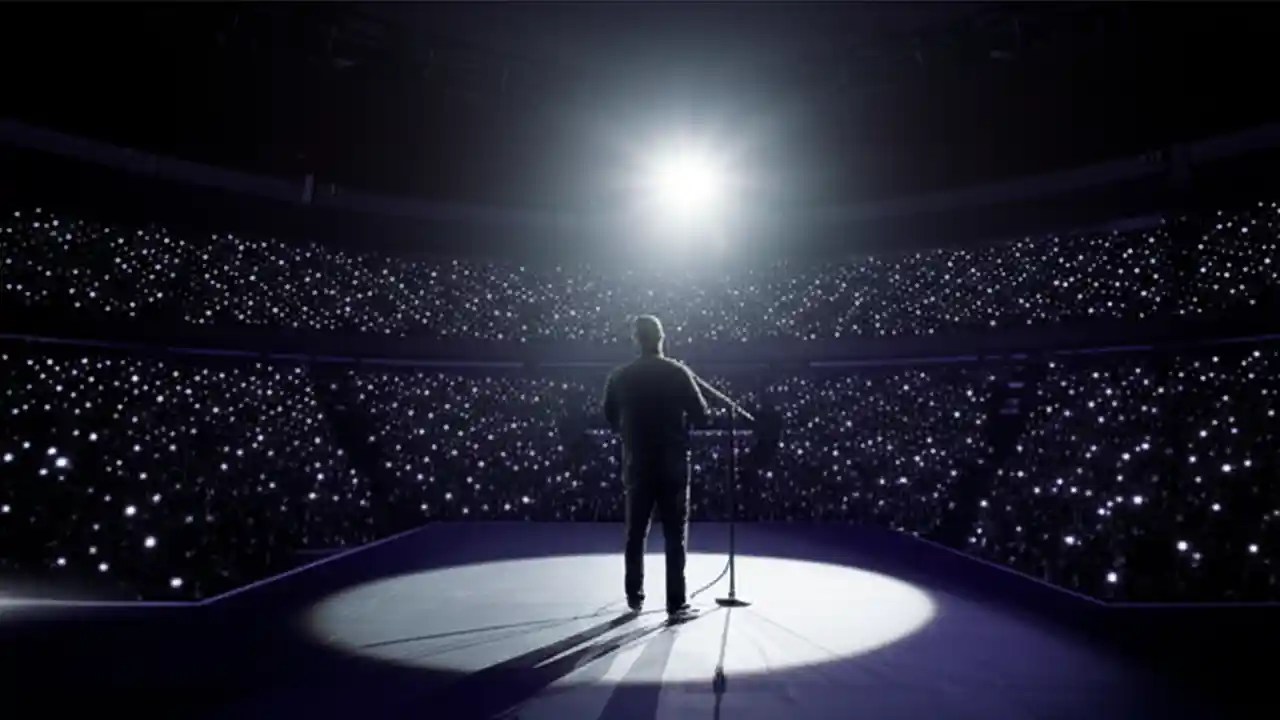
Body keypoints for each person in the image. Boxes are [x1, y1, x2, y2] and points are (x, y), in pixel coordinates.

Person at [603, 315, 709, 621]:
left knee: (635, 532)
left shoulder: (619, 376)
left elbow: (609, 416)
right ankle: (676, 604)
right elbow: (702, 415)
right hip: (673, 465)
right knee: (675, 535)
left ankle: (634, 596)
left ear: (636, 340)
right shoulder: (677, 372)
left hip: (637, 465)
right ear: (661, 337)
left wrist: (630, 432)